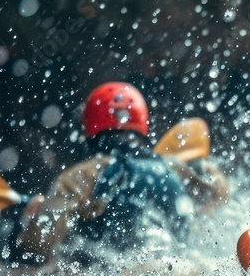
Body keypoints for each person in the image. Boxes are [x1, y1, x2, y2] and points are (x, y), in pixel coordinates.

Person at [15, 81, 228, 262]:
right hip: (180, 271)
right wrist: (203, 166)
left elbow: (38, 243)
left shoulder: (82, 176)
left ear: (90, 126)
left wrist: (33, 218)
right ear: (142, 122)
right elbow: (219, 194)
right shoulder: (173, 166)